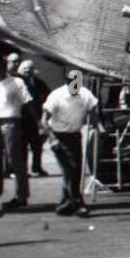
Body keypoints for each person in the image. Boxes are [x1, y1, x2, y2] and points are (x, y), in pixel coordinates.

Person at [41, 71, 101, 218]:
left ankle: (66, 202)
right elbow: (44, 121)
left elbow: (92, 111)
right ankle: (78, 203)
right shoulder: (56, 95)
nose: (76, 86)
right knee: (70, 169)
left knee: (74, 170)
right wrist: (52, 139)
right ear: (67, 82)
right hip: (59, 136)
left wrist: (98, 127)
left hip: (75, 135)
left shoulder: (85, 94)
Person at [0, 53, 33, 209]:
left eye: (2, 66)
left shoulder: (16, 82)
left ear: (6, 67)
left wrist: (38, 122)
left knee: (14, 159)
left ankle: (21, 195)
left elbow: (27, 102)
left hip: (10, 122)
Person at [17, 60, 51, 177]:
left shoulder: (38, 82)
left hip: (35, 119)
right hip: (21, 119)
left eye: (30, 68)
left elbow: (48, 96)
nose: (27, 71)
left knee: (37, 145)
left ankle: (37, 167)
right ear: (20, 70)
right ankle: (24, 170)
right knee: (22, 147)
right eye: (25, 68)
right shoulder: (17, 82)